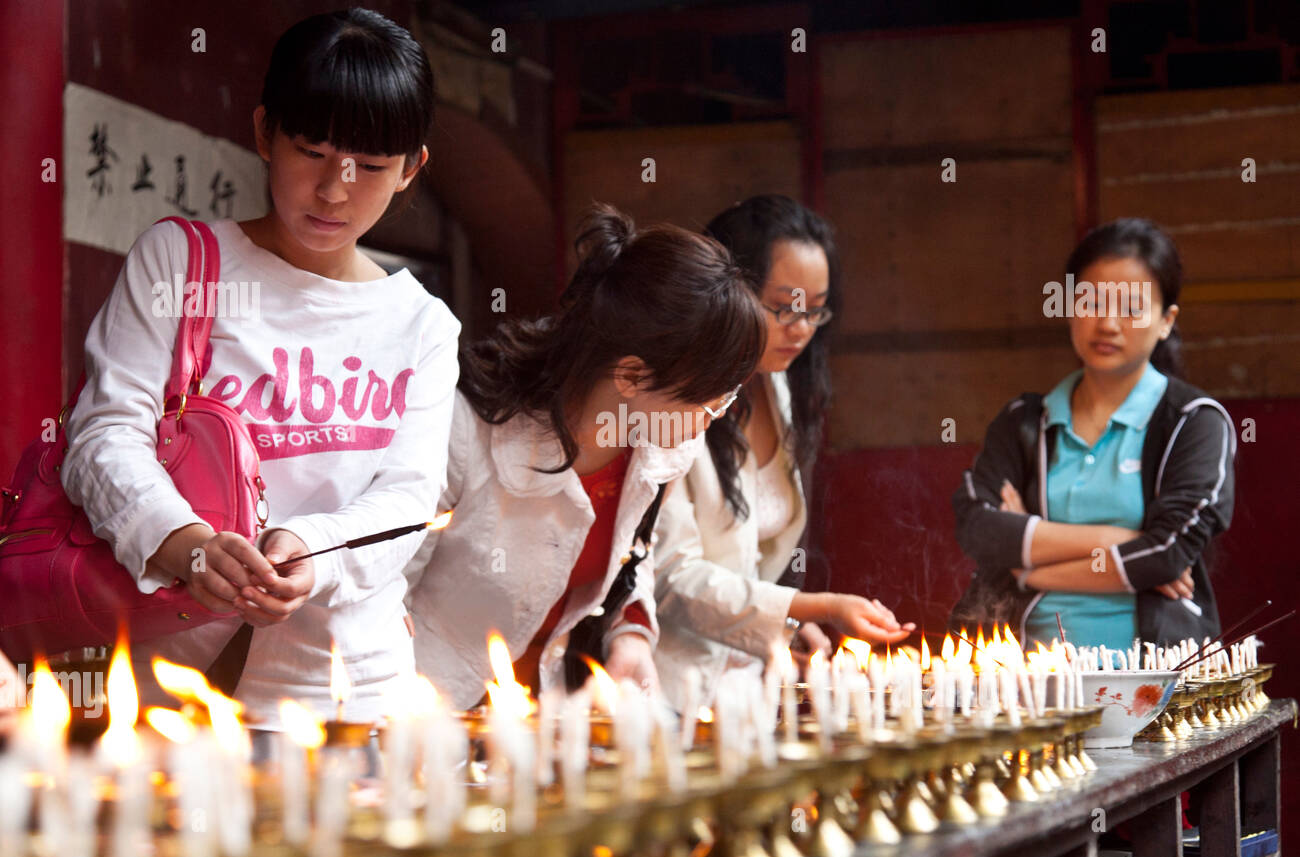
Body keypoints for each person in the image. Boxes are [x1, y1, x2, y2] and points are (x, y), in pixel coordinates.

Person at [61, 9, 459, 727]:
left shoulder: (423, 325)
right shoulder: (183, 264)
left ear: (411, 170)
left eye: (369, 167)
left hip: (352, 694)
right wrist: (188, 546)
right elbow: (104, 435)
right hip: (176, 692)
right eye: (311, 151)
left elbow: (408, 501)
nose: (335, 190)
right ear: (263, 134)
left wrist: (313, 551)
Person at [402, 204, 766, 709]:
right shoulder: (467, 431)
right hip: (432, 709)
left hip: (548, 707)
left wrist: (631, 635)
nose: (717, 418)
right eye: (711, 400)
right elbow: (386, 585)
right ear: (632, 377)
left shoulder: (658, 443)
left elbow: (632, 559)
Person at [652, 195, 912, 712]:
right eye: (784, 307)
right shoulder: (670, 403)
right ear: (728, 289)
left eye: (816, 310)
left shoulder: (780, 390)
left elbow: (751, 567)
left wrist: (788, 624)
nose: (801, 328)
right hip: (668, 688)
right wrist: (809, 606)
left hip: (748, 686)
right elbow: (670, 578)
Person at [951, 218, 1235, 648]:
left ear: (1165, 321)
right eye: (1093, 302)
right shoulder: (1023, 422)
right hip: (1025, 677)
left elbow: (1167, 555)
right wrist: (1120, 543)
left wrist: (1031, 567)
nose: (1107, 324)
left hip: (1154, 680)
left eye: (1132, 308)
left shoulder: (1193, 422)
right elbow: (979, 528)